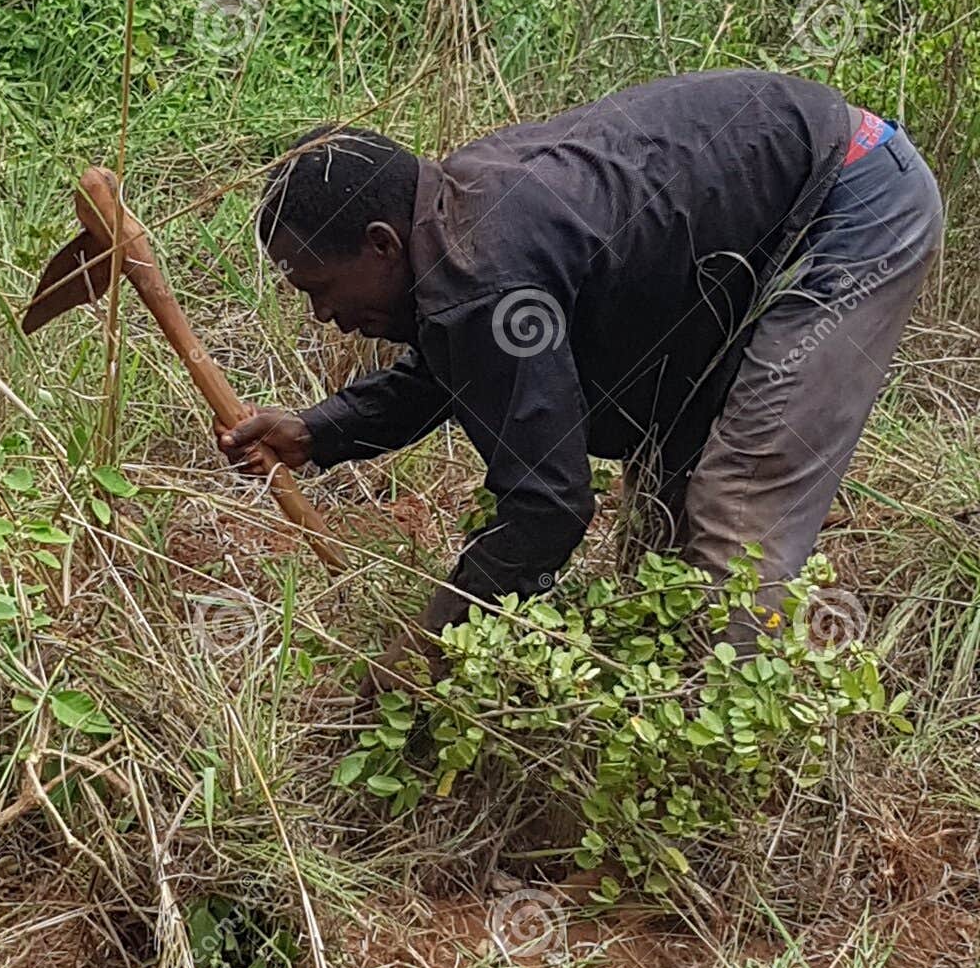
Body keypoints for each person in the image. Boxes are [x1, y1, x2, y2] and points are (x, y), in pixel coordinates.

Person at [216, 68, 943, 689]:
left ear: (381, 245)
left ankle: (701, 794)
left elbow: (549, 507)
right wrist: (318, 432)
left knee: (735, 515)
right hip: (775, 205)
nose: (322, 315)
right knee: (660, 528)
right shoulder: (452, 226)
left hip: (848, 201)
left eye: (320, 287)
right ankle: (656, 722)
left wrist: (430, 643)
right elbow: (458, 360)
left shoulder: (482, 266)